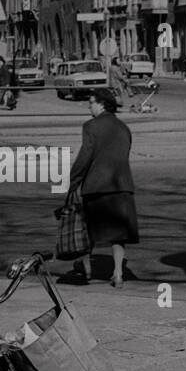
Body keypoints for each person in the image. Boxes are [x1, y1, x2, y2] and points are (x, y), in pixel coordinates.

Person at [68, 88, 139, 288]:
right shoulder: (124, 127)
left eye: (91, 102)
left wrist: (74, 180)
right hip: (121, 185)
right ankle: (117, 273)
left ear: (101, 104)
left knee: (89, 230)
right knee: (118, 234)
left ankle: (87, 270)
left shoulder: (91, 126)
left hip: (96, 185)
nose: (89, 106)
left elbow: (85, 156)